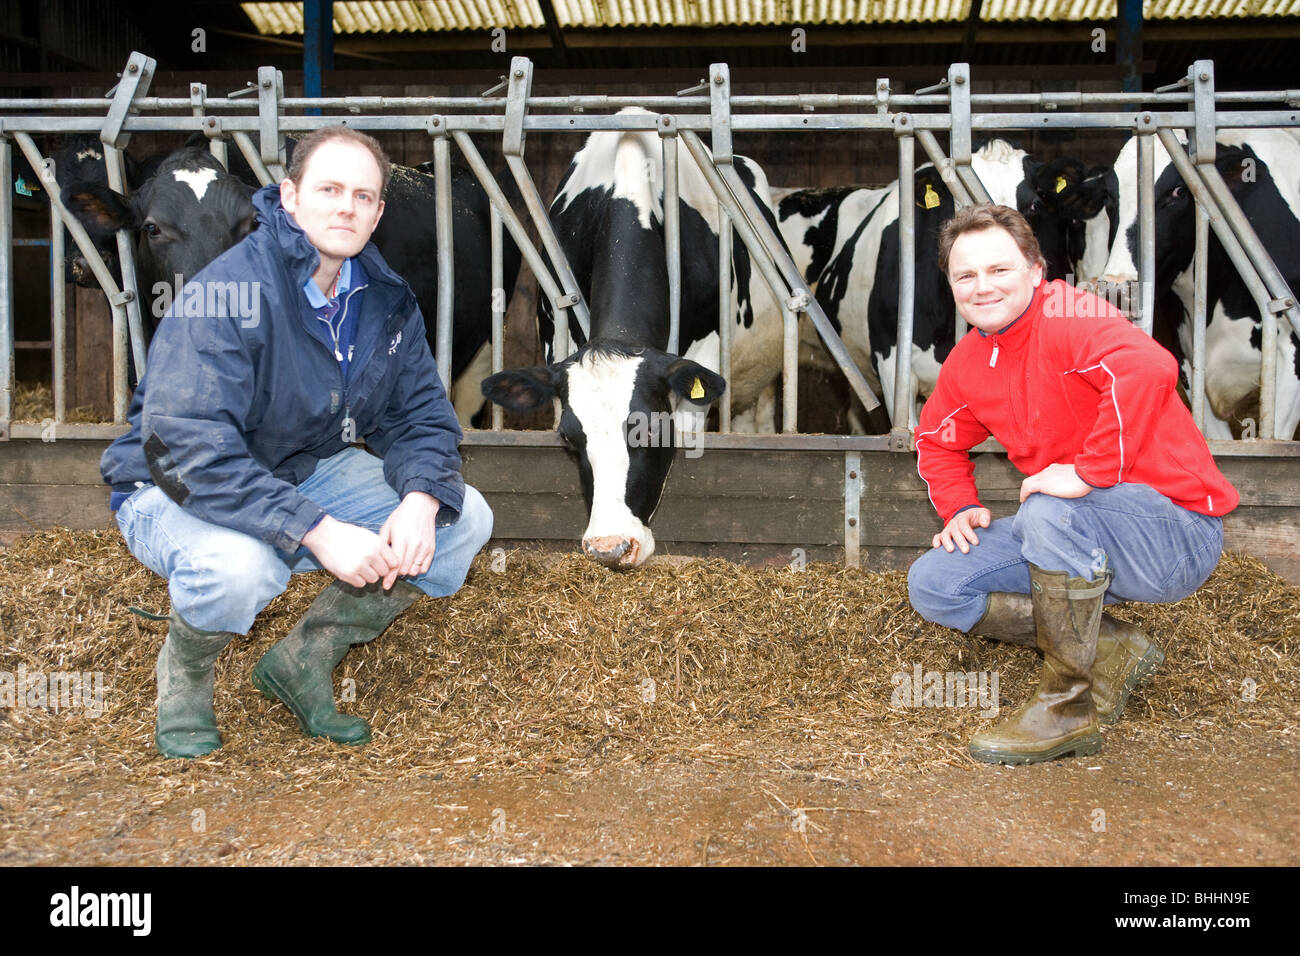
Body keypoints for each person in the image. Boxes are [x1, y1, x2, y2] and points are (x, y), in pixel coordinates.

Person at [102, 127, 493, 759]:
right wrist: (313, 528)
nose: (347, 207)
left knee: (461, 517)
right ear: (289, 198)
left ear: (378, 213)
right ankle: (185, 680)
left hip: (299, 469)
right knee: (240, 567)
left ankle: (304, 660)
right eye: (330, 189)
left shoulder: (383, 299)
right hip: (170, 482)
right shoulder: (227, 293)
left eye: (363, 196)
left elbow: (421, 414)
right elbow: (189, 448)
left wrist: (421, 495)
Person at [907, 204, 1237, 765]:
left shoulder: (1069, 316)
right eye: (966, 276)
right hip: (1074, 532)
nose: (982, 287)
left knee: (1047, 509)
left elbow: (1150, 368)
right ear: (952, 285)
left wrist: (1087, 471)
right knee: (936, 582)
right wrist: (959, 506)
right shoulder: (968, 362)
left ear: (1036, 271)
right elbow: (936, 440)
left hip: (1173, 537)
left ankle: (1066, 707)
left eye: (999, 270)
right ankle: (1111, 647)